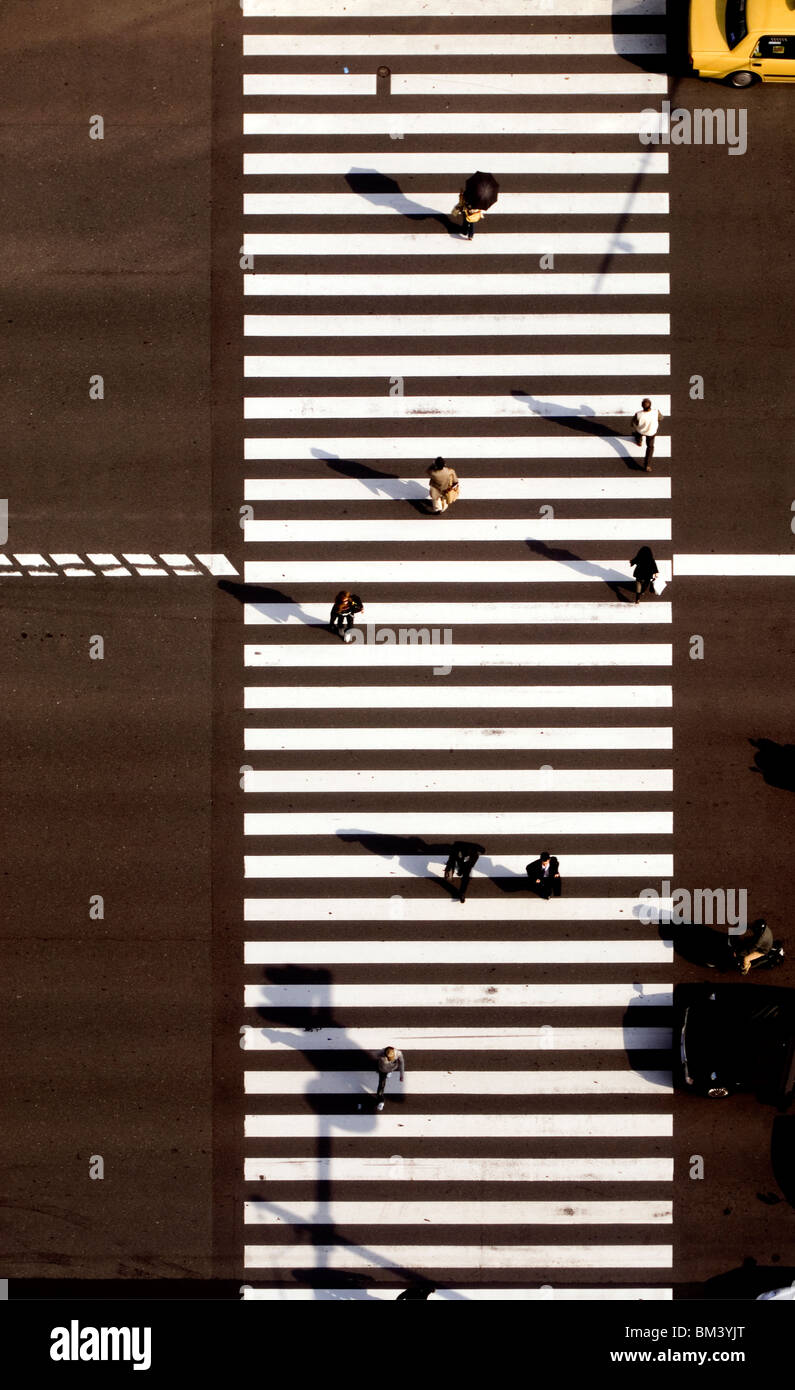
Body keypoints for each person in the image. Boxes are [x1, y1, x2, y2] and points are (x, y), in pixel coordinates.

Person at [631, 398, 664, 471]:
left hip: (641, 431)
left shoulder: (638, 414)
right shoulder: (656, 412)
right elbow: (661, 418)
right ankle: (647, 465)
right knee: (650, 447)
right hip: (651, 432)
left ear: (642, 406)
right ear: (650, 405)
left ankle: (639, 441)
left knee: (638, 434)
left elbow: (633, 423)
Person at [375, 1045, 405, 1110]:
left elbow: (402, 1063)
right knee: (381, 1084)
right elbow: (375, 1055)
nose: (391, 1060)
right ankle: (380, 1101)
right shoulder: (381, 1053)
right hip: (382, 1070)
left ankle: (389, 1072)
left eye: (392, 1058)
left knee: (381, 1083)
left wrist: (401, 1075)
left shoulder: (398, 1053)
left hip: (390, 1068)